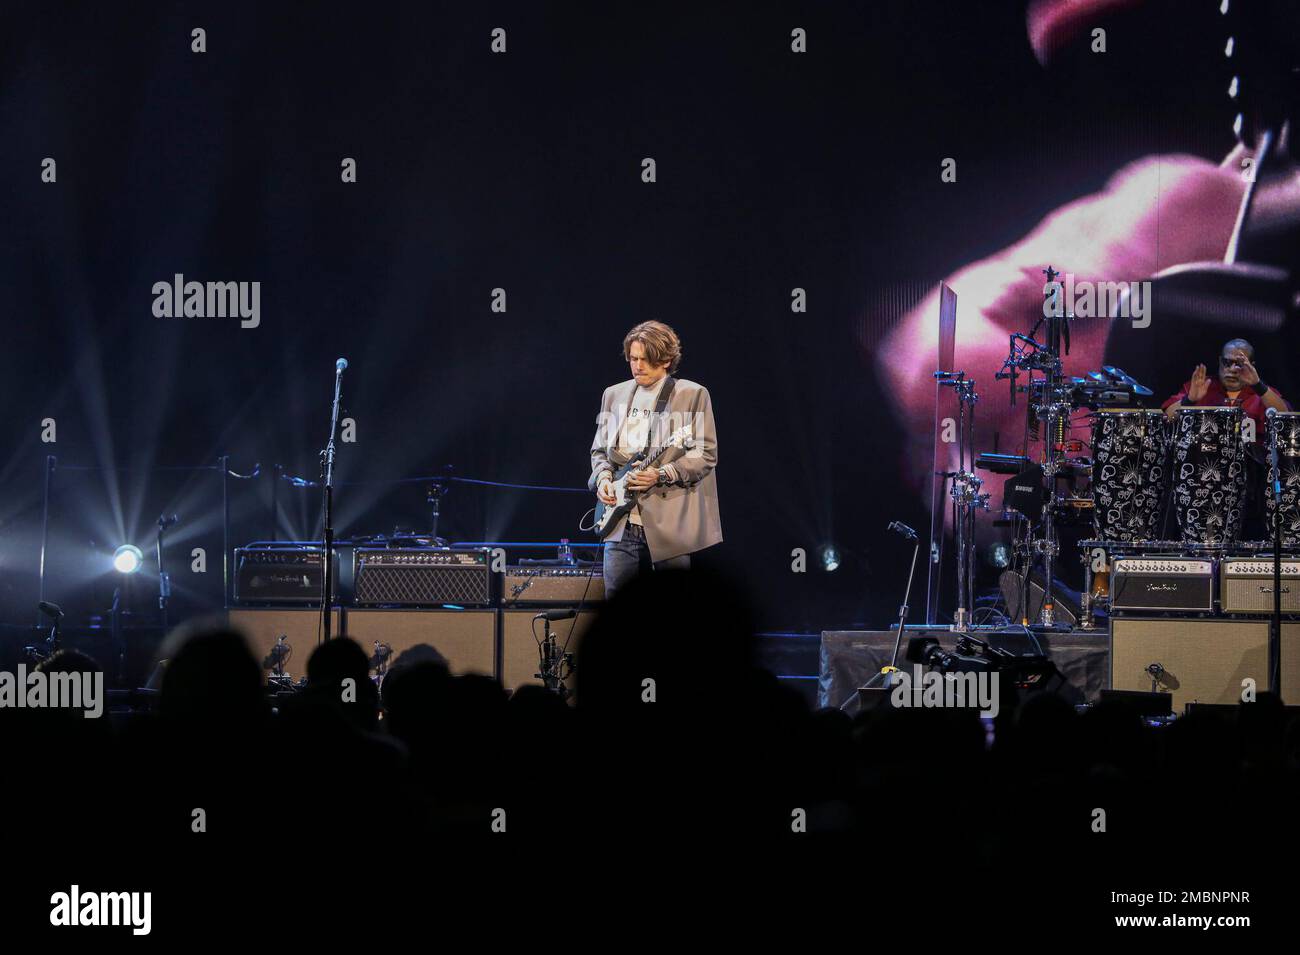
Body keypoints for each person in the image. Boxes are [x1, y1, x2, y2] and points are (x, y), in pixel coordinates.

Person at [588, 321, 722, 598]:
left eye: (645, 360)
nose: (637, 366)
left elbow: (705, 454)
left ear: (666, 360)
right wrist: (602, 479)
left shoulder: (691, 394)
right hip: (619, 521)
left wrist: (661, 474)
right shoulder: (613, 395)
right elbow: (599, 451)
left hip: (668, 523)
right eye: (633, 359)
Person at [1161, 338, 1290, 432]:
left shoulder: (1264, 393)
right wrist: (1189, 400)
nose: (1232, 369)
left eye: (1239, 364)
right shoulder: (1200, 386)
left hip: (1252, 466)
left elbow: (1286, 419)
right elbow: (1167, 417)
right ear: (1219, 361)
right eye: (1227, 362)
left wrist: (1258, 386)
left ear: (1252, 366)